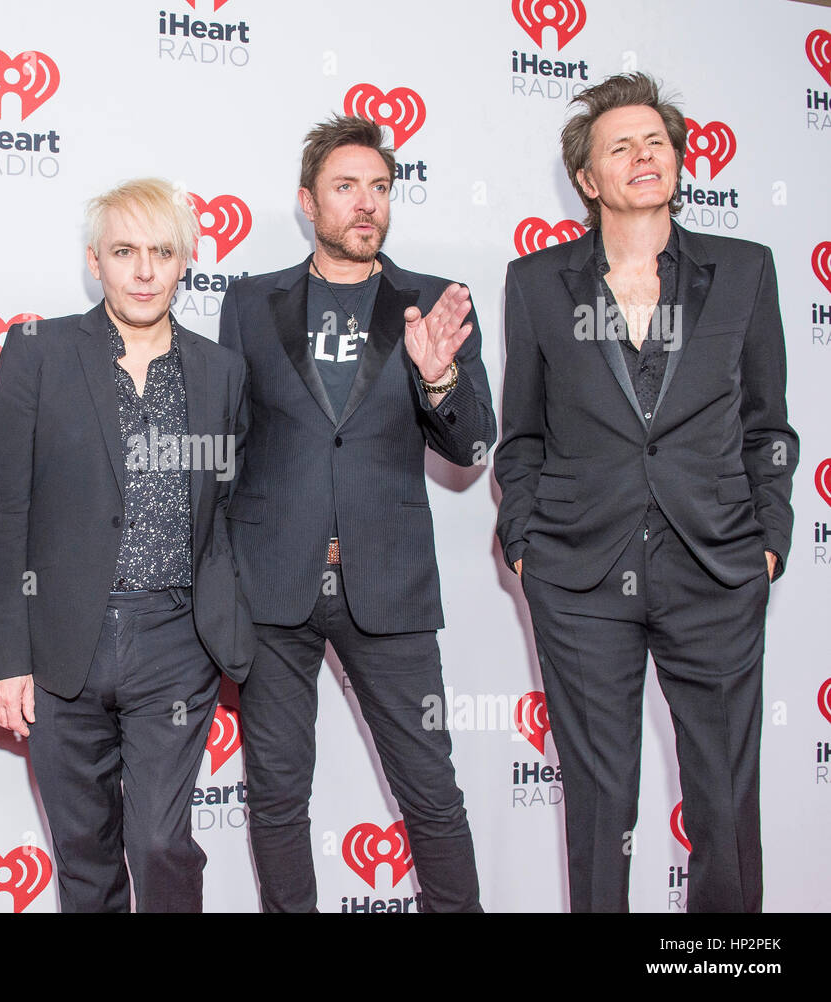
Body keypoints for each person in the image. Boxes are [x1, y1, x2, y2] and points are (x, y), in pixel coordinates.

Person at [495, 72, 798, 912]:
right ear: (588, 180)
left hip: (718, 567)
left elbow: (769, 425)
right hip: (579, 576)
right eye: (619, 145)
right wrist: (526, 546)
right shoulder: (537, 283)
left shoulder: (744, 271)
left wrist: (766, 540)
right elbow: (521, 436)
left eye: (655, 141)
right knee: (599, 804)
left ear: (677, 161)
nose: (642, 155)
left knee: (726, 800)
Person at [218, 115, 494, 912]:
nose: (365, 204)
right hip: (272, 587)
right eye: (346, 188)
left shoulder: (431, 303)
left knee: (432, 793)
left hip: (391, 584)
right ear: (309, 202)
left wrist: (438, 380)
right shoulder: (249, 301)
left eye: (379, 188)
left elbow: (473, 446)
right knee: (275, 798)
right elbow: (228, 441)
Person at [0, 178, 253, 912]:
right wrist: (3, 658)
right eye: (125, 251)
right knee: (85, 857)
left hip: (175, 641)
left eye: (162, 252)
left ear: (185, 261)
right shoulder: (39, 351)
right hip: (64, 637)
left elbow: (232, 506)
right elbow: (7, 514)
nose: (144, 270)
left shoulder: (222, 372)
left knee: (160, 844)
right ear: (95, 260)